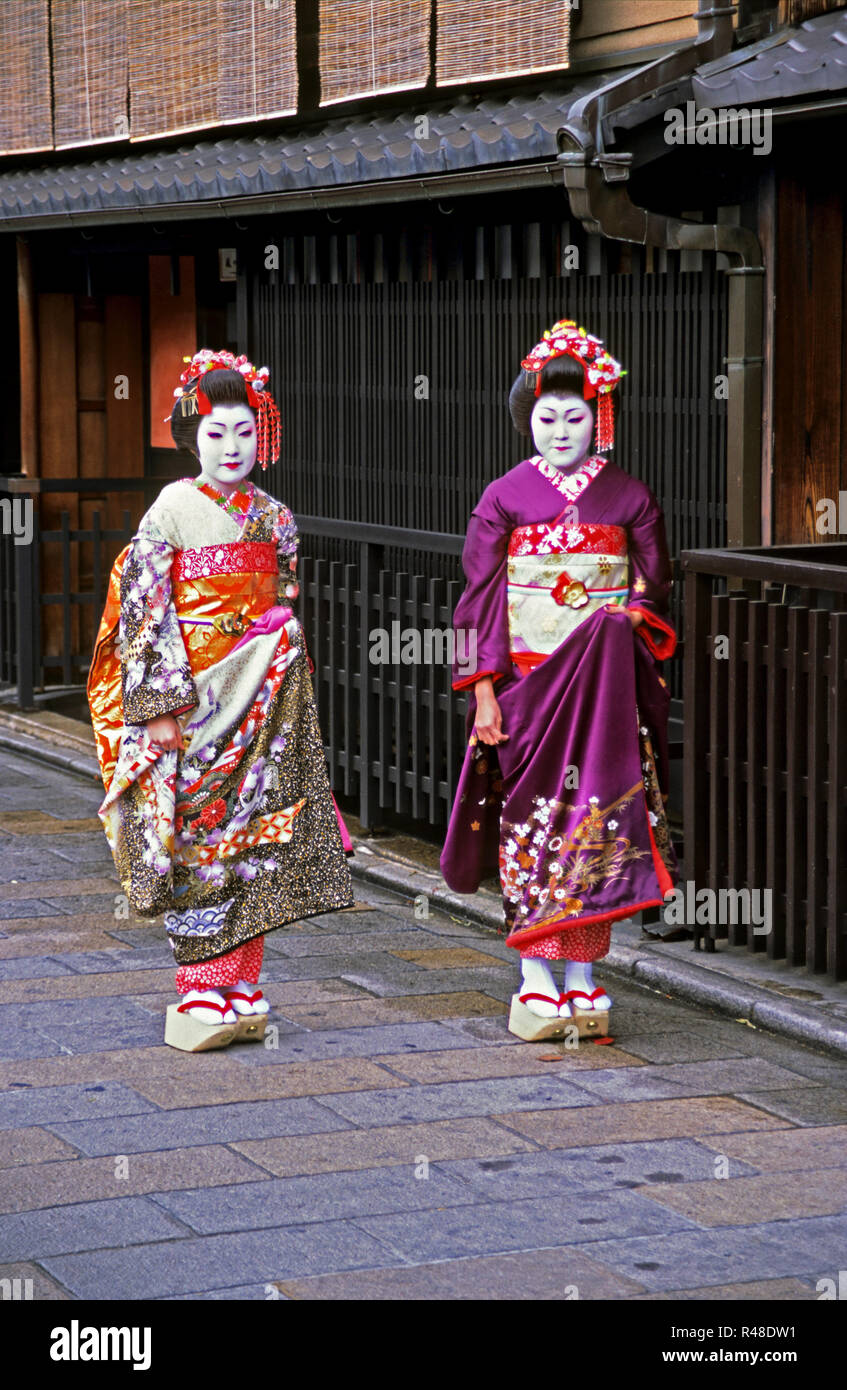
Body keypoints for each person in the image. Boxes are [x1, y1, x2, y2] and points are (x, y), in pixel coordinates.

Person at [87, 349, 353, 1050]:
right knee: (198, 838)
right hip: (195, 698)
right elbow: (145, 611)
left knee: (253, 838)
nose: (230, 447)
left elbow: (286, 591)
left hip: (258, 702)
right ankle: (201, 984)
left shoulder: (275, 517)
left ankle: (242, 981)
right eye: (215, 433)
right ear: (191, 437)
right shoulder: (171, 509)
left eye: (242, 432)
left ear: (261, 436)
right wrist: (160, 708)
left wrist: (279, 622)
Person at [440, 319, 678, 1035]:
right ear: (526, 420)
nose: (560, 431)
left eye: (575, 417)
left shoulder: (628, 497)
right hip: (528, 686)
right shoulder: (504, 497)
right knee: (534, 825)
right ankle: (535, 972)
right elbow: (477, 599)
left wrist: (627, 619)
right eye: (546, 417)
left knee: (596, 826)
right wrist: (483, 689)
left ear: (598, 417)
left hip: (602, 691)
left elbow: (650, 587)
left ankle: (583, 973)